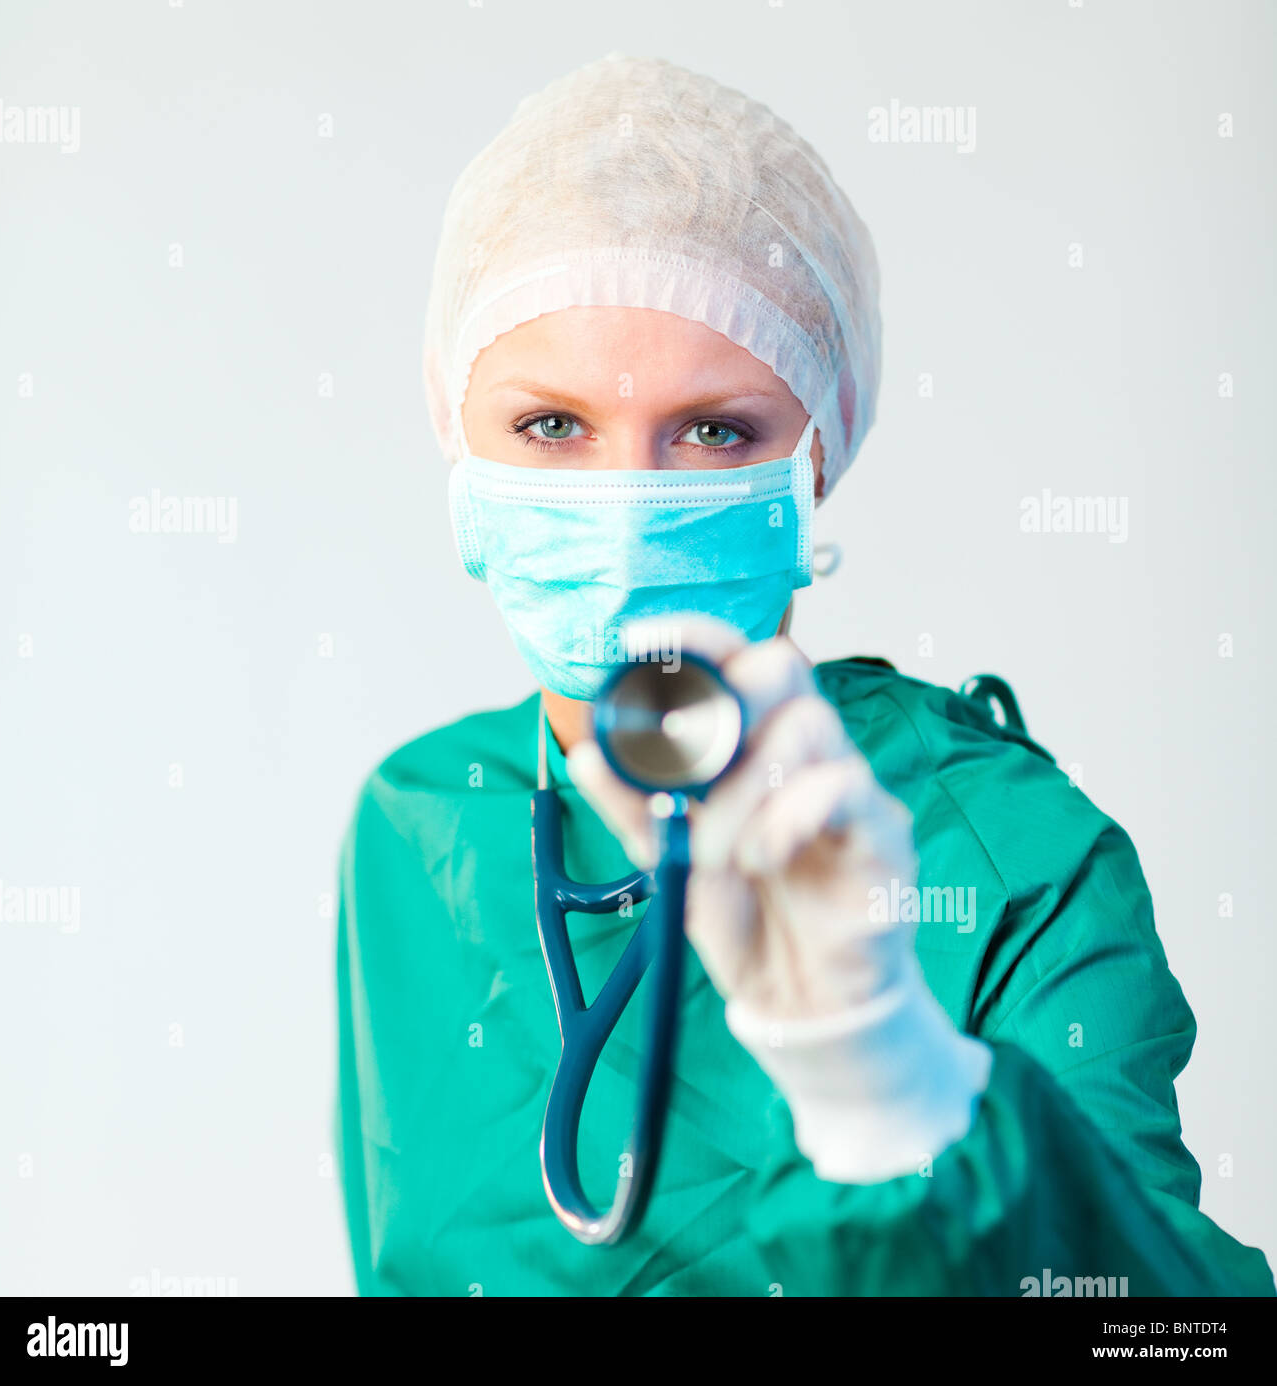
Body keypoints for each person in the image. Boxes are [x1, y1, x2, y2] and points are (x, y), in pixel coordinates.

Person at [333, 53, 1273, 1296]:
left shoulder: (1013, 862)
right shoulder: (419, 825)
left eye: (715, 429)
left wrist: (885, 1082)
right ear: (457, 442)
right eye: (550, 426)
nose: (627, 504)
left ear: (813, 463)